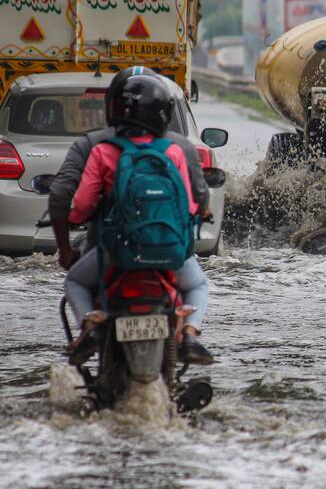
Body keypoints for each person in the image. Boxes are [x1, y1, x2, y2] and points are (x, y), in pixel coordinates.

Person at [55, 73, 214, 366]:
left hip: (117, 253)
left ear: (113, 110)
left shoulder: (102, 151)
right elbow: (190, 205)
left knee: (75, 281)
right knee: (198, 285)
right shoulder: (175, 151)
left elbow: (81, 206)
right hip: (169, 254)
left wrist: (77, 219)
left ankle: (89, 328)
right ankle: (190, 335)